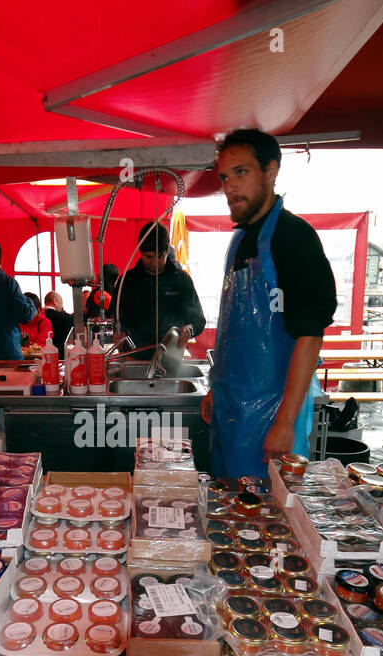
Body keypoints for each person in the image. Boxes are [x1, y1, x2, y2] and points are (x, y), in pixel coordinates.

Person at [201, 128, 335, 478]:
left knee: (268, 523)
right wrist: (216, 388)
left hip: (272, 421)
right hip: (230, 414)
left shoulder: (295, 238)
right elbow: (233, 331)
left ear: (271, 170)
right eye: (225, 177)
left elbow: (310, 333)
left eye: (241, 173)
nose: (230, 187)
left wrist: (286, 421)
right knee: (230, 517)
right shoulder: (240, 242)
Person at [116, 222, 205, 350]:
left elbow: (199, 320)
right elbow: (116, 316)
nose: (155, 262)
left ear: (167, 250)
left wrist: (190, 329)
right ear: (140, 251)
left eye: (159, 256)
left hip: (172, 357)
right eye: (149, 257)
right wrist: (117, 331)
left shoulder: (181, 280)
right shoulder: (127, 281)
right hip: (134, 357)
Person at [43, 290, 75, 357]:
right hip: (59, 355)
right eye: (61, 302)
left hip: (39, 354)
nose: (62, 306)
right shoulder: (65, 318)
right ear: (54, 301)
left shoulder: (37, 317)